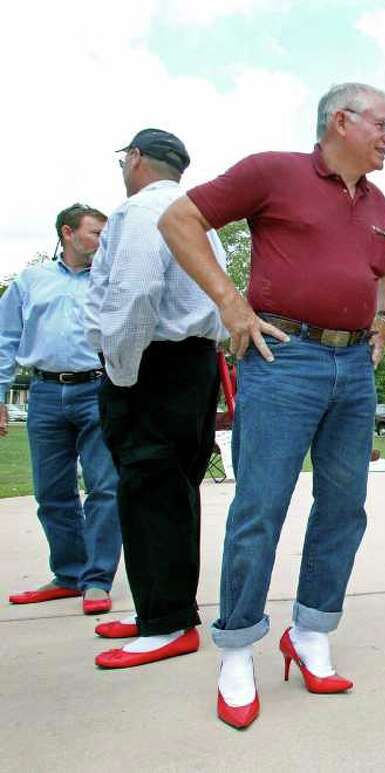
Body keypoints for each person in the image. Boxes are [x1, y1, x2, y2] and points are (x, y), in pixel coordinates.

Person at [158, 83, 385, 729]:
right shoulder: (274, 171)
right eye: (383, 123)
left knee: (345, 507)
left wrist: (384, 321)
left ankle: (313, 631)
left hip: (354, 366)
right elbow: (179, 219)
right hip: (282, 357)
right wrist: (230, 303)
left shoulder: (378, 202)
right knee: (261, 507)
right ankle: (237, 646)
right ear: (341, 121)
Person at [85, 128, 227, 667]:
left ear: (136, 158)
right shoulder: (197, 216)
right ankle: (161, 609)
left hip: (151, 365)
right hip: (192, 364)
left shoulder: (140, 212)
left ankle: (166, 624)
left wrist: (120, 371)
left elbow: (135, 292)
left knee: (148, 489)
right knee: (174, 492)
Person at [0, 204, 120, 616]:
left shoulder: (109, 281)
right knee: (52, 492)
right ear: (68, 233)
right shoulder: (31, 282)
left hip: (97, 388)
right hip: (46, 393)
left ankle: (97, 579)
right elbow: (5, 340)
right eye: (95, 233)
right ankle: (69, 574)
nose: (102, 241)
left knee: (105, 487)